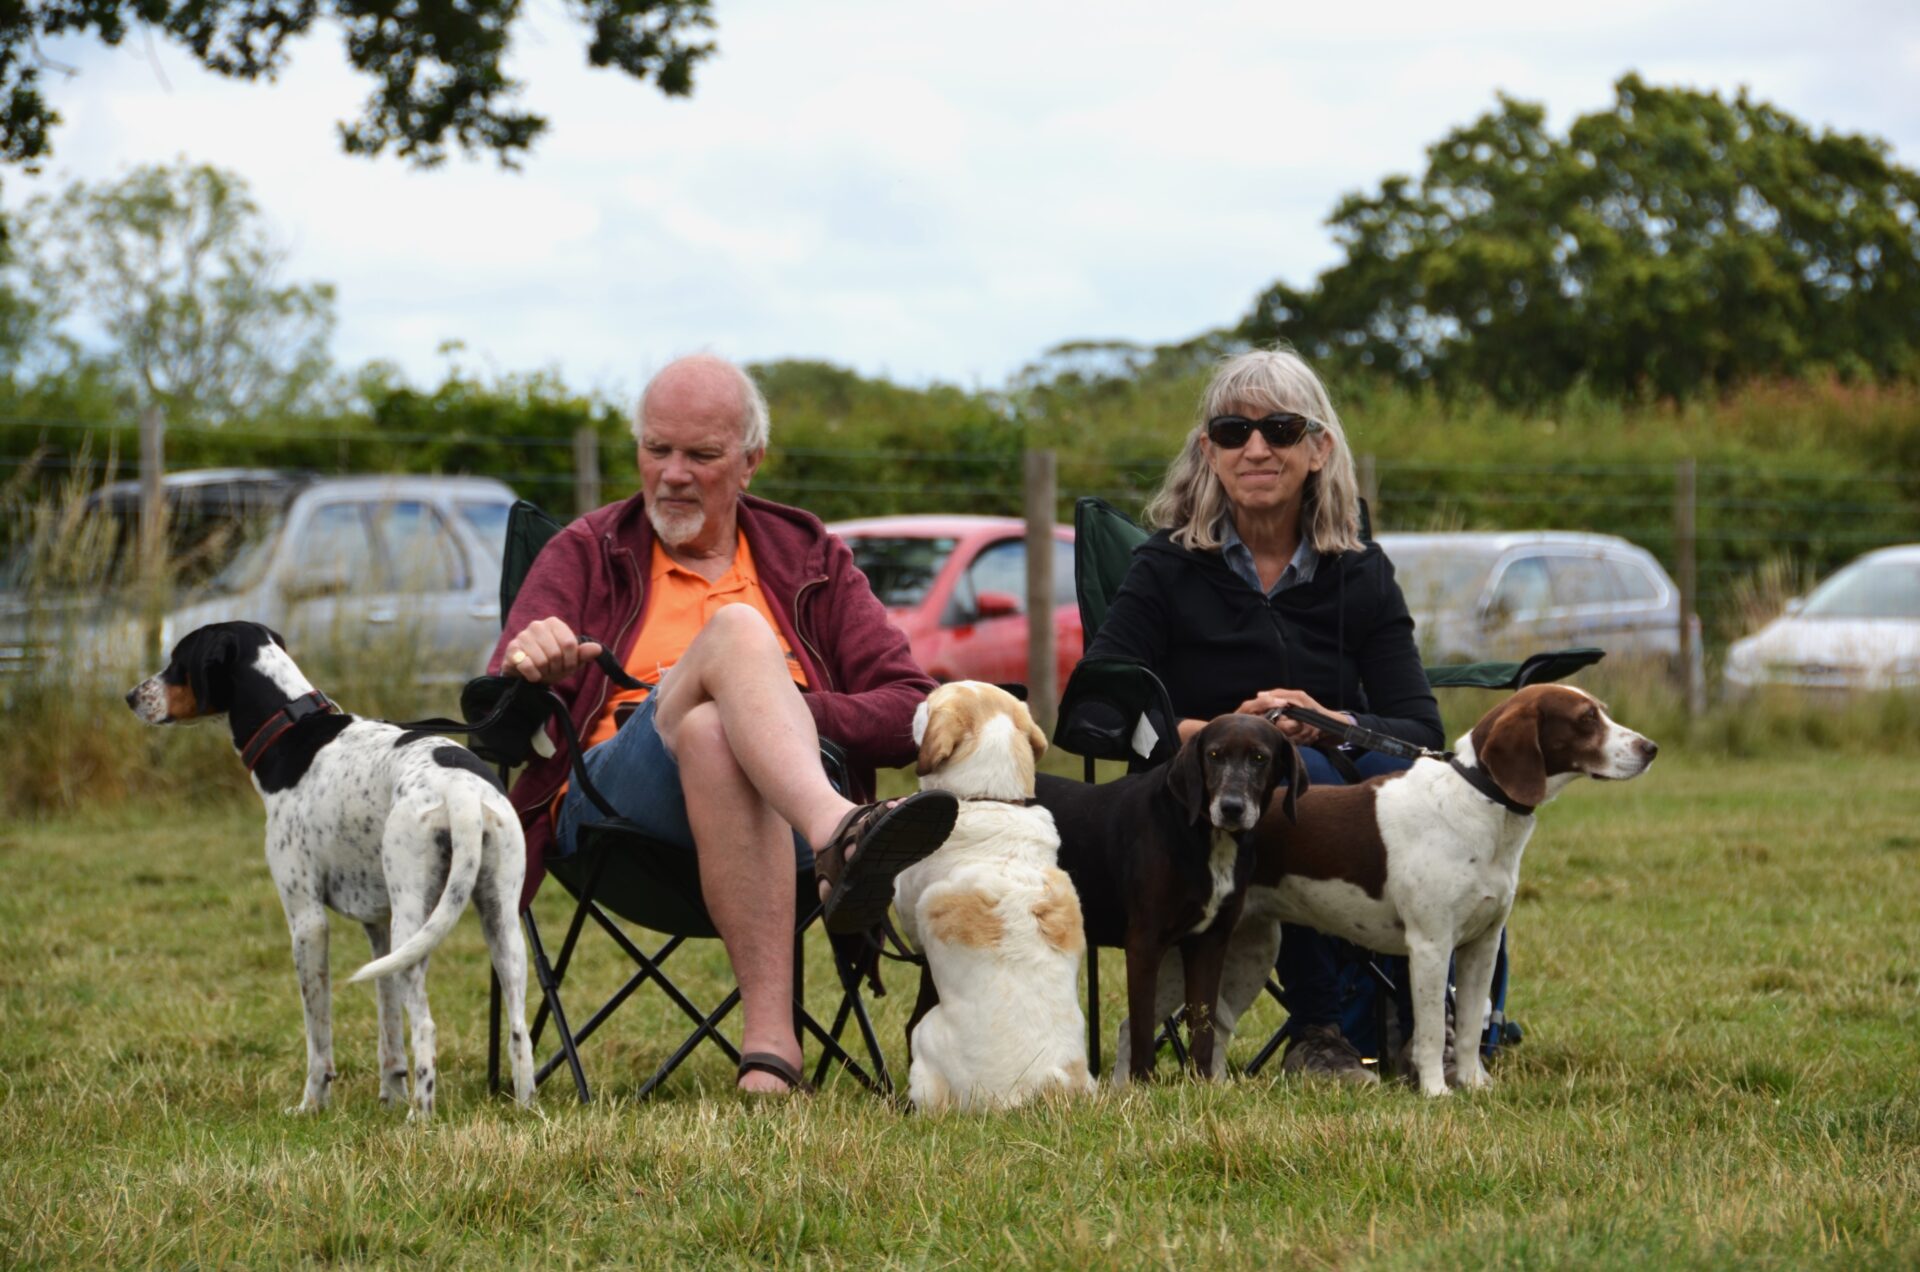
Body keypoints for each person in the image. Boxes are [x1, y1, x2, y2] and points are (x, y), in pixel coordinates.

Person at [489, 353, 955, 1095]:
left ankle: (770, 1052)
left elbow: (911, 706)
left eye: (701, 455)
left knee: (713, 732)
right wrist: (527, 665)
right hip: (616, 806)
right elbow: (495, 719)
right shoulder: (586, 550)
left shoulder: (808, 555)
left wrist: (765, 711)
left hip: (779, 798)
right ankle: (842, 832)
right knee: (739, 631)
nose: (672, 474)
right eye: (656, 449)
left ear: (750, 463)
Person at [1084, 346, 1443, 1084]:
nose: (1255, 449)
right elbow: (1099, 706)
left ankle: (1455, 1026)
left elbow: (1420, 732)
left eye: (1280, 429)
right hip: (1198, 801)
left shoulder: (1362, 573)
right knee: (1295, 784)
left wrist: (1332, 719)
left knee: (1448, 795)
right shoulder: (1166, 567)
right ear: (1208, 452)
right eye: (1232, 431)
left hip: (1347, 780)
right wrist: (1209, 737)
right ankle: (1320, 1030)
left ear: (1319, 449)